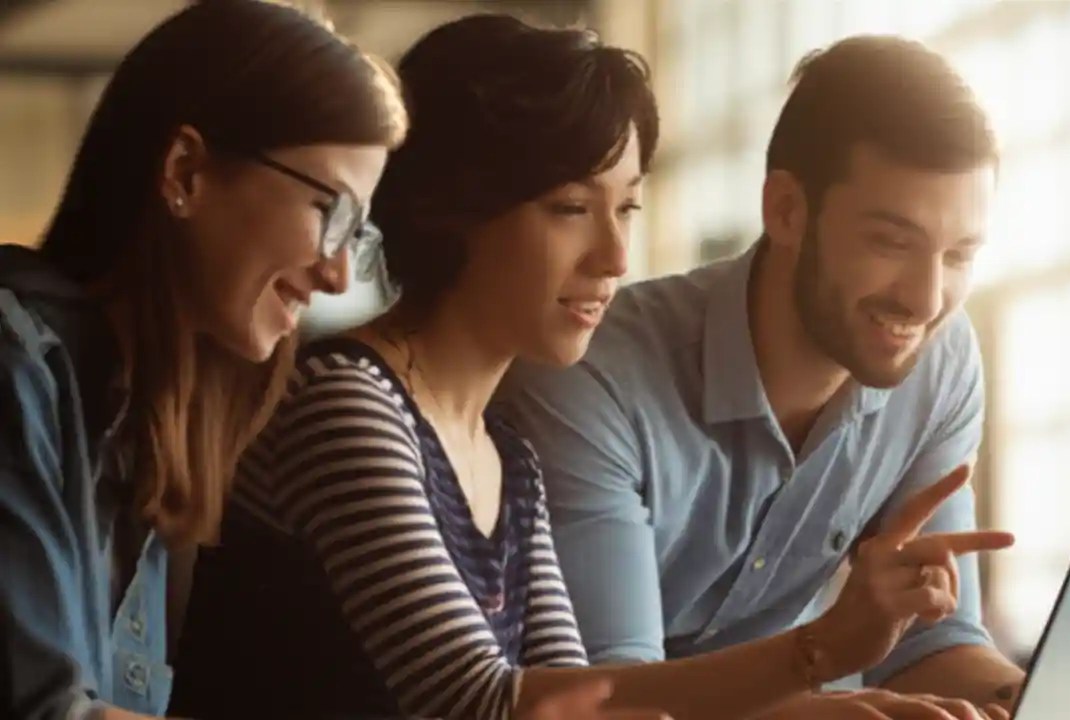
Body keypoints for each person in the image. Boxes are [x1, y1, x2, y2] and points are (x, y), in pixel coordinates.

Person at [170, 14, 1016, 720]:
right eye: (571, 209)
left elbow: (593, 705)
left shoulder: (506, 455)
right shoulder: (348, 404)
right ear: (457, 209)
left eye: (628, 208)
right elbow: (483, 704)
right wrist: (823, 654)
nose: (616, 255)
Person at [497, 33, 1070, 720]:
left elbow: (935, 648)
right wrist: (816, 673)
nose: (926, 297)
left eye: (961, 255)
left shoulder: (937, 363)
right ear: (785, 210)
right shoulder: (591, 379)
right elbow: (608, 698)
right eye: (892, 241)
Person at [0, 2, 407, 719]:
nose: (341, 275)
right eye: (331, 213)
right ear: (185, 171)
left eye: (359, 232)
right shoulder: (17, 368)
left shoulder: (153, 418)